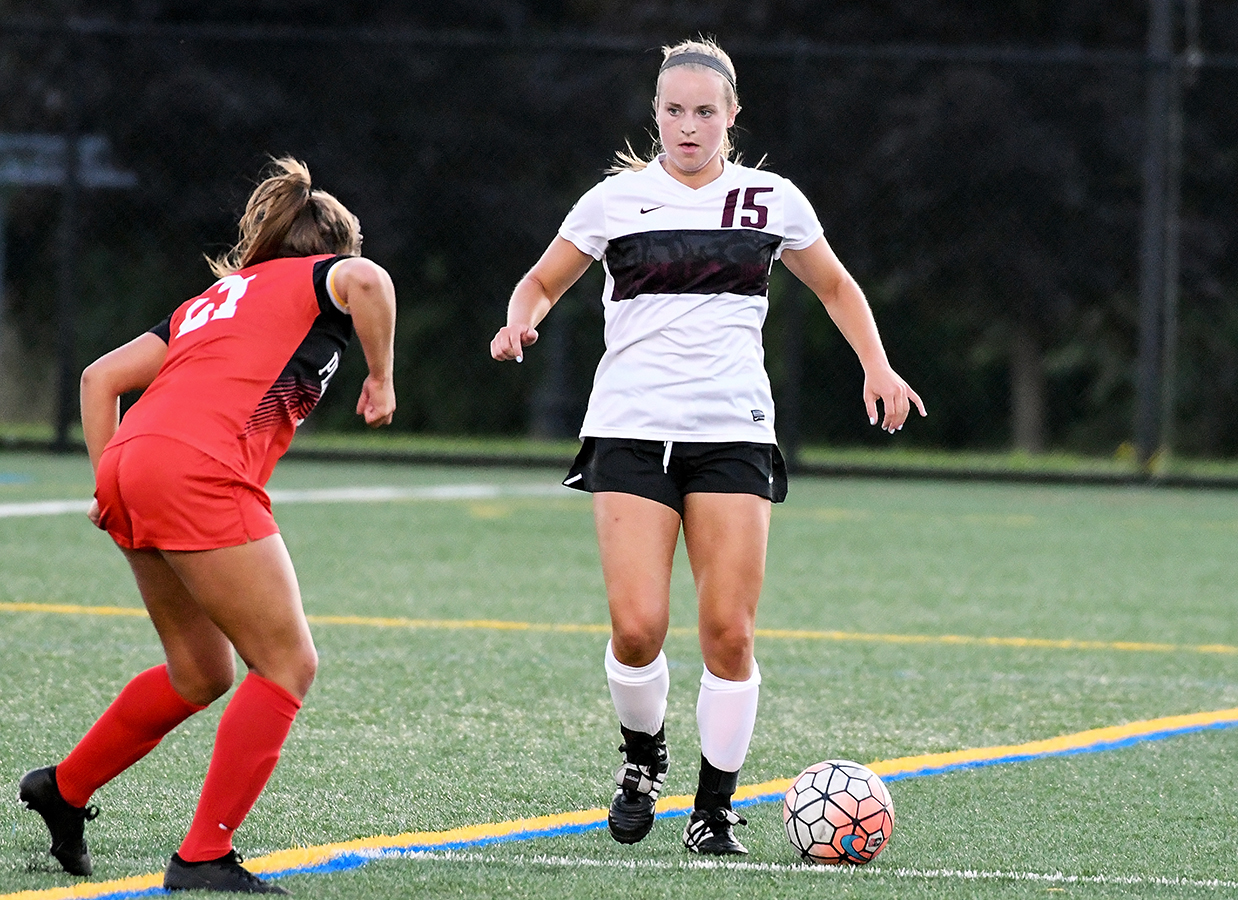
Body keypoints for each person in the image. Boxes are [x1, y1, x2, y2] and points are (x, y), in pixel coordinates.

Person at [490, 38, 924, 855]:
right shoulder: (615, 201)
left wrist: (878, 364)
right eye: (673, 111)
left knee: (729, 632)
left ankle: (713, 810)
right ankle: (642, 758)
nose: (687, 126)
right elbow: (541, 281)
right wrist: (521, 320)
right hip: (630, 426)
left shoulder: (771, 200)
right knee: (637, 629)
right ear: (655, 115)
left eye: (703, 112)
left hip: (732, 431)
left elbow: (835, 284)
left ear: (731, 117)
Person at [18, 157, 397, 894]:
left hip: (132, 462)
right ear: (328, 249)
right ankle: (202, 858)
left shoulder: (213, 301)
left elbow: (100, 378)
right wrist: (380, 377)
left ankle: (64, 788)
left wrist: (108, 479)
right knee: (287, 665)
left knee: (200, 672)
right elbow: (371, 281)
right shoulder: (325, 278)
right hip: (199, 469)